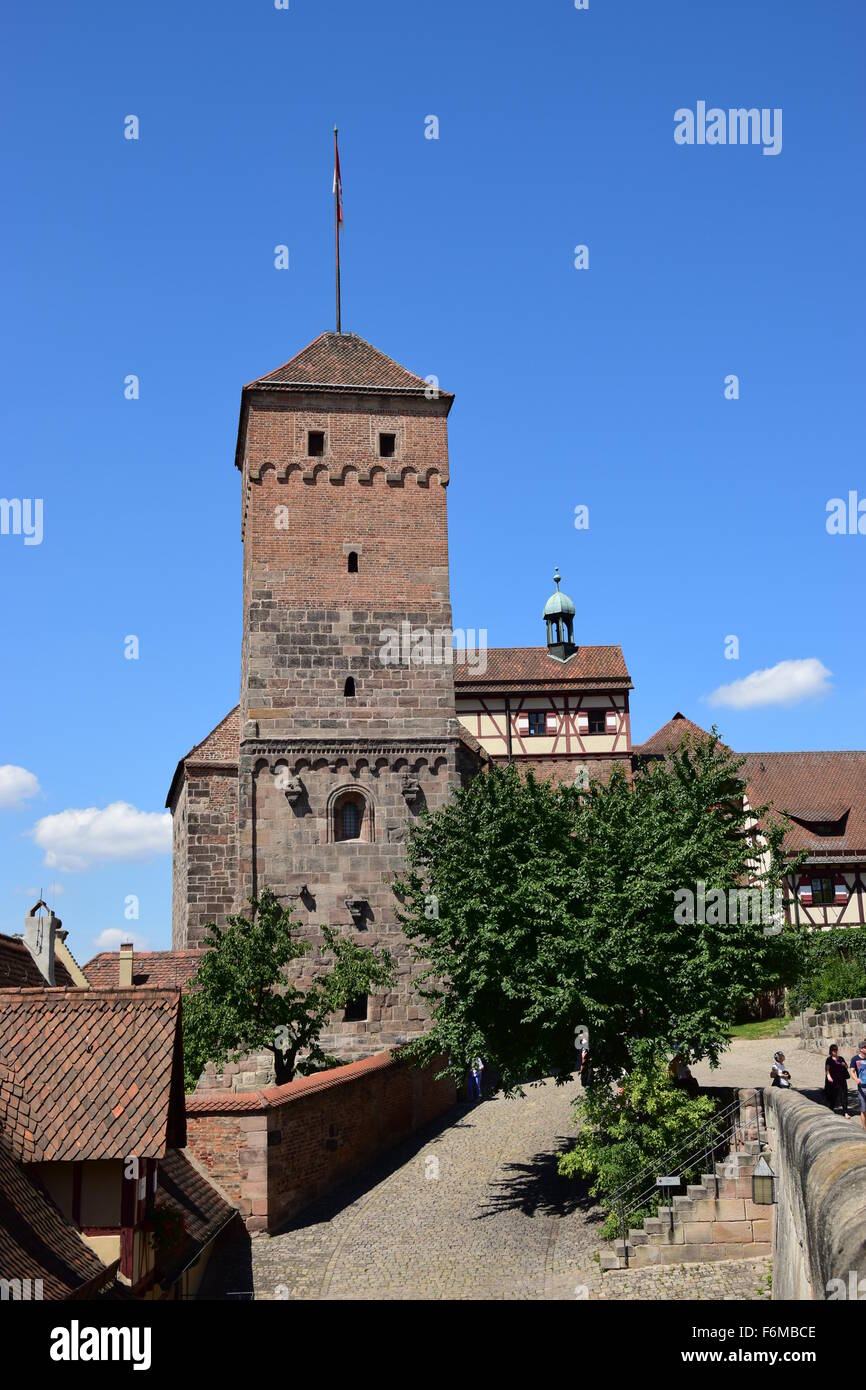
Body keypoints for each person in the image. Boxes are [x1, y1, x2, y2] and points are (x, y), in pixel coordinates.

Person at [825, 1044, 849, 1116]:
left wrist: (844, 1065)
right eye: (833, 1050)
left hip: (842, 1080)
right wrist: (828, 1076)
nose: (835, 1052)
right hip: (833, 1081)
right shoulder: (829, 1059)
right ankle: (831, 1110)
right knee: (832, 1096)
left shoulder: (841, 1058)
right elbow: (827, 1069)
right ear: (831, 1051)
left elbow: (846, 1066)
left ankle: (845, 1112)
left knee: (844, 1096)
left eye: (836, 1050)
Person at [849, 1040, 866, 1131]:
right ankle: (864, 1128)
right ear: (860, 1049)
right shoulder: (855, 1059)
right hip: (862, 1088)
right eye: (865, 1047)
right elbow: (851, 1071)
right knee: (863, 1110)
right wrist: (856, 1079)